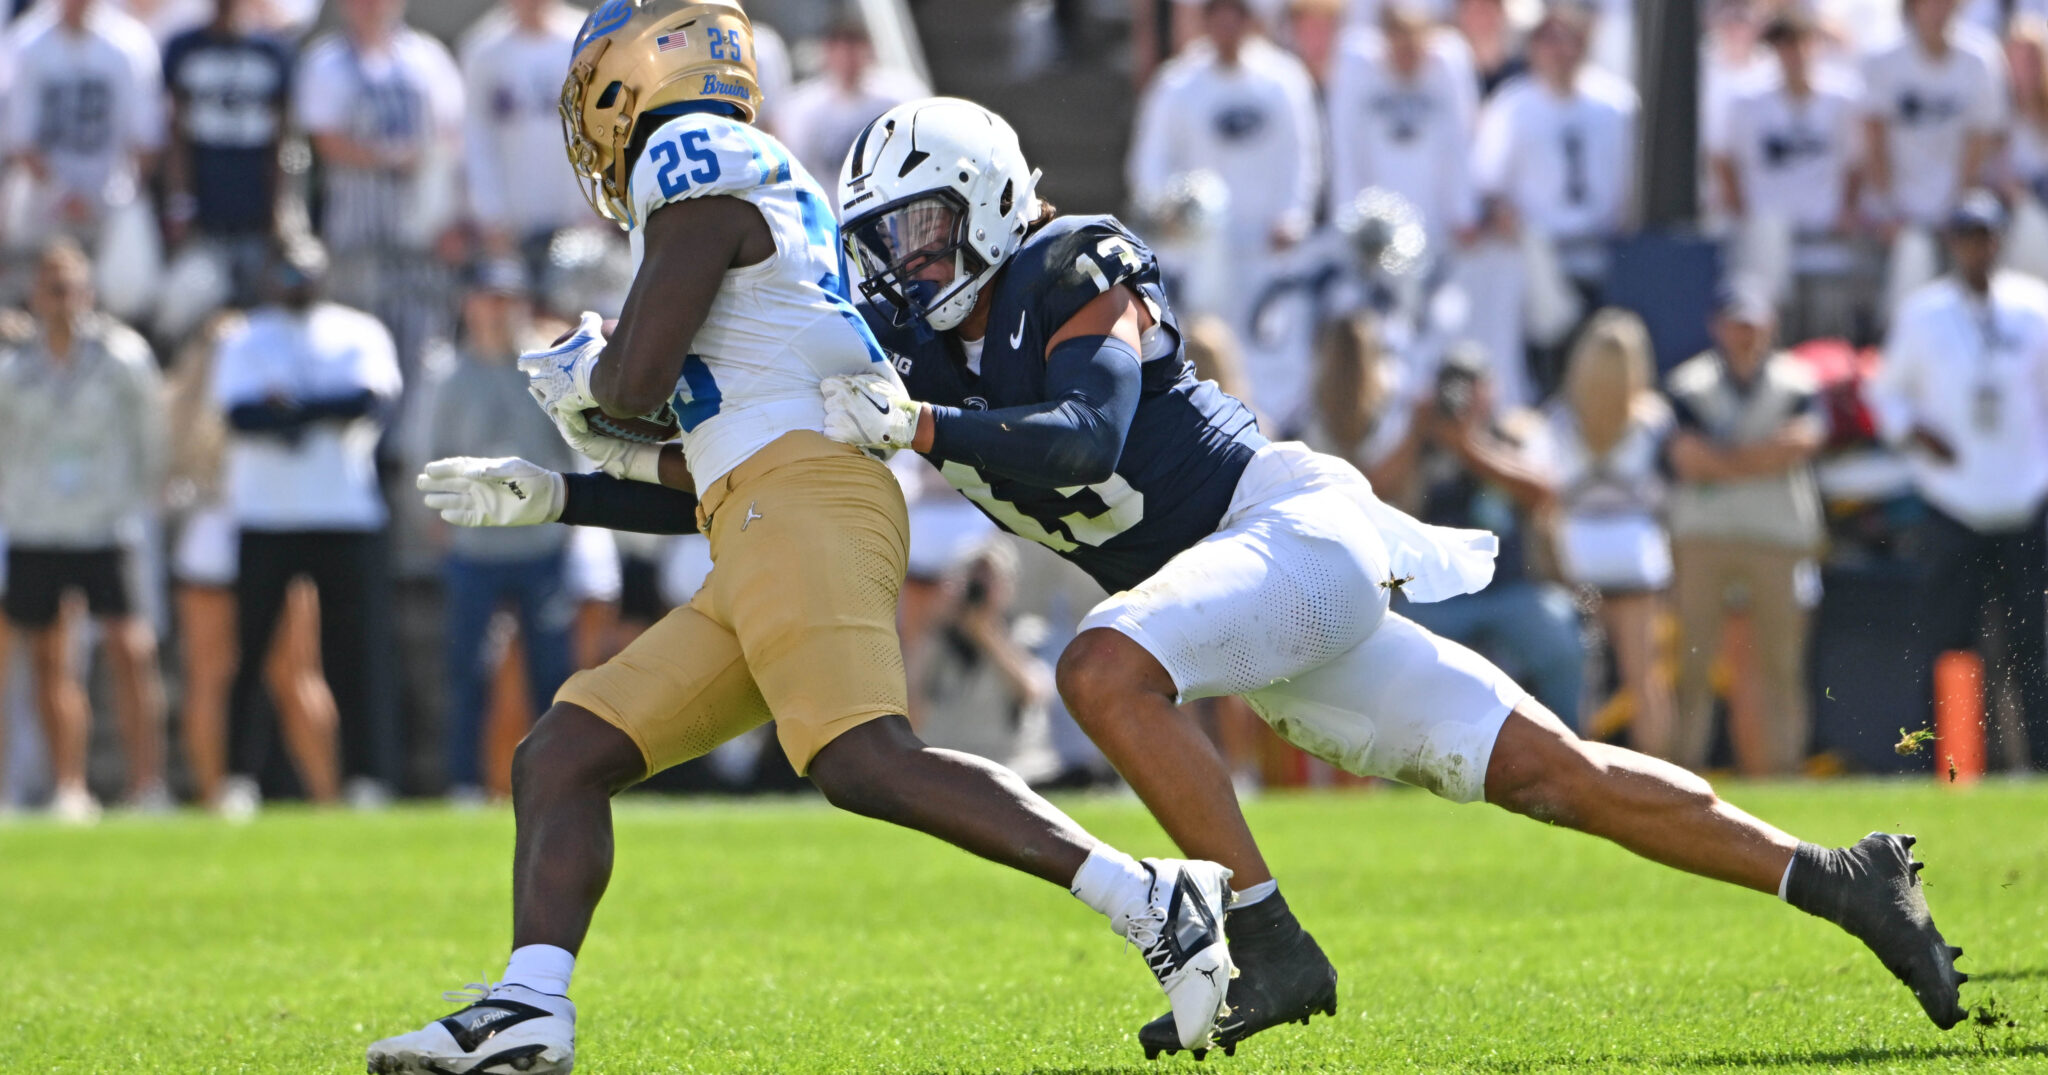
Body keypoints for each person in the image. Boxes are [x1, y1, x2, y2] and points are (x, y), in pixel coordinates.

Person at [813, 98, 1969, 1053]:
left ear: (991, 201)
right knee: (1553, 775)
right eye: (886, 241)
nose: (905, 264)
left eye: (921, 228)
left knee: (1102, 668)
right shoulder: (913, 349)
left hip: (1281, 532)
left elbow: (1084, 436)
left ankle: (1265, 943)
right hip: (1231, 600)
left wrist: (921, 428)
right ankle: (1840, 878)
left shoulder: (1071, 266)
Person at [372, 8, 1236, 1072]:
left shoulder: (695, 160)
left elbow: (640, 385)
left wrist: (586, 379)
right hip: (767, 505)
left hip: (801, 502)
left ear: (637, 74)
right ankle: (528, 1005)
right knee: (564, 752)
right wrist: (558, 489)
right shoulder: (733, 186)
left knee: (861, 759)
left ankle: (1150, 896)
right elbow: (722, 459)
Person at [211, 237, 402, 816]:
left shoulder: (358, 331)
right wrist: (315, 411)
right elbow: (239, 414)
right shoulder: (245, 335)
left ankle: (368, 775)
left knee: (356, 651)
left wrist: (289, 412)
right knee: (251, 650)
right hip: (265, 515)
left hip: (344, 512)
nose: (295, 280)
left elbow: (368, 402)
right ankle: (239, 778)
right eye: (285, 270)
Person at [1867, 191, 2048, 772]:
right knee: (1951, 642)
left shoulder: (2034, 307)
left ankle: (2039, 761)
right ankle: (1952, 765)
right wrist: (1918, 432)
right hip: (1954, 497)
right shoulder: (1925, 314)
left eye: (1987, 235)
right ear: (1953, 243)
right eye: (1968, 236)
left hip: (2026, 492)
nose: (1979, 247)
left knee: (2035, 643)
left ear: (2000, 241)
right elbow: (1886, 392)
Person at [0, 239, 167, 820]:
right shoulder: (15, 366)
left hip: (107, 521)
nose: (61, 298)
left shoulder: (122, 357)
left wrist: (141, 503)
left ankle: (147, 784)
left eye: (70, 286)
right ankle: (70, 786)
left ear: (89, 291)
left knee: (129, 648)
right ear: (34, 294)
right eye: (51, 286)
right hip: (37, 523)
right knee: (49, 655)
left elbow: (152, 435)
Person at [163, 311, 339, 808]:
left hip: (218, 537)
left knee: (215, 676)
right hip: (266, 530)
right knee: (291, 674)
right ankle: (325, 797)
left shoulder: (186, 396)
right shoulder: (260, 385)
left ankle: (219, 795)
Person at [1367, 343, 1585, 726]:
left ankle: (1573, 742)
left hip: (1510, 590)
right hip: (1440, 595)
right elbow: (1372, 489)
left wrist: (1469, 449)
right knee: (1397, 651)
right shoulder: (1421, 443)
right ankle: (1395, 769)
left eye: (1471, 386)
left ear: (1491, 390)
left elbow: (1543, 491)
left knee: (1560, 642)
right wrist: (1417, 433)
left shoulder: (1514, 433)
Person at [1127, 0, 1322, 429]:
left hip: (1265, 258)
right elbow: (1148, 167)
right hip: (1200, 261)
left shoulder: (1284, 80)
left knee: (1269, 360)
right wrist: (1171, 214)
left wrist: (1294, 215)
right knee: (1204, 346)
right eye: (1218, 13)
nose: (1228, 24)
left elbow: (1303, 157)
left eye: (1237, 13)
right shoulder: (1176, 83)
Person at [428, 259, 579, 804]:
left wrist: (570, 523)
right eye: (489, 298)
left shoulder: (545, 370)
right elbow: (430, 458)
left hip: (540, 541)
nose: (499, 311)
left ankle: (555, 779)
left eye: (508, 298)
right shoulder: (447, 376)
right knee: (466, 670)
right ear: (469, 304)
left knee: (552, 671)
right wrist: (441, 525)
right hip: (474, 546)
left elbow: (578, 451)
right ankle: (464, 784)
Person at [1664, 285, 1827, 777]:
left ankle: (1783, 767)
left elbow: (1802, 443)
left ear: (1770, 326)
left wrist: (1724, 462)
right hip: (1704, 536)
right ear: (1717, 327)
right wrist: (1761, 459)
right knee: (1692, 660)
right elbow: (1685, 459)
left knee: (1781, 663)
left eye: (1753, 324)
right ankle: (1681, 770)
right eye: (1736, 324)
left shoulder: (1797, 381)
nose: (1745, 335)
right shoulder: (1688, 383)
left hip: (1776, 536)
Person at [1534, 310, 1676, 758]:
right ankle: (1662, 776)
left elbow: (1546, 490)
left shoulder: (1556, 419)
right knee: (1644, 677)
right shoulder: (1655, 419)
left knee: (1587, 673)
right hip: (1634, 552)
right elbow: (1667, 492)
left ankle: (1588, 774)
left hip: (1578, 553)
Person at [0, 0, 164, 315]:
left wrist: (115, 197)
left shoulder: (129, 45)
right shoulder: (27, 42)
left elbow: (145, 139)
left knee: (116, 302)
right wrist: (63, 193)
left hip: (108, 202)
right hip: (42, 205)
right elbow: (18, 138)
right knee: (37, 300)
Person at [158, 0, 292, 321]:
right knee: (197, 315)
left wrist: (280, 207)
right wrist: (180, 202)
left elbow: (283, 137)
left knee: (257, 311)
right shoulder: (184, 47)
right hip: (203, 209)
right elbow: (175, 133)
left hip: (254, 206)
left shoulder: (273, 52)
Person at [1325, 1, 1480, 245]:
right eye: (1399, 43)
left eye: (1413, 44)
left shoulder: (1446, 68)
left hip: (1435, 226)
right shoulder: (1359, 70)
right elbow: (1346, 150)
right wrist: (1349, 216)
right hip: (1378, 227)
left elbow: (1459, 146)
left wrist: (1462, 212)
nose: (1406, 54)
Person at [457, 0, 587, 266]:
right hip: (511, 228)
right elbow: (476, 139)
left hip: (579, 220)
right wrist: (490, 214)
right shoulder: (483, 49)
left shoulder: (588, 38)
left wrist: (596, 207)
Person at [1862, 0, 2008, 235]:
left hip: (1955, 216)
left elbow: (1980, 140)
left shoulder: (1981, 59)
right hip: (1896, 216)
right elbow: (1874, 140)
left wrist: (1959, 208)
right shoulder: (1881, 59)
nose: (1937, 9)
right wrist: (1887, 209)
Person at [772, 16, 926, 198]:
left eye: (853, 48)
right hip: (830, 211)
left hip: (888, 204)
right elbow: (791, 167)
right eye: (839, 49)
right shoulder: (802, 107)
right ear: (826, 52)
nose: (846, 58)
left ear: (868, 50)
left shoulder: (899, 95)